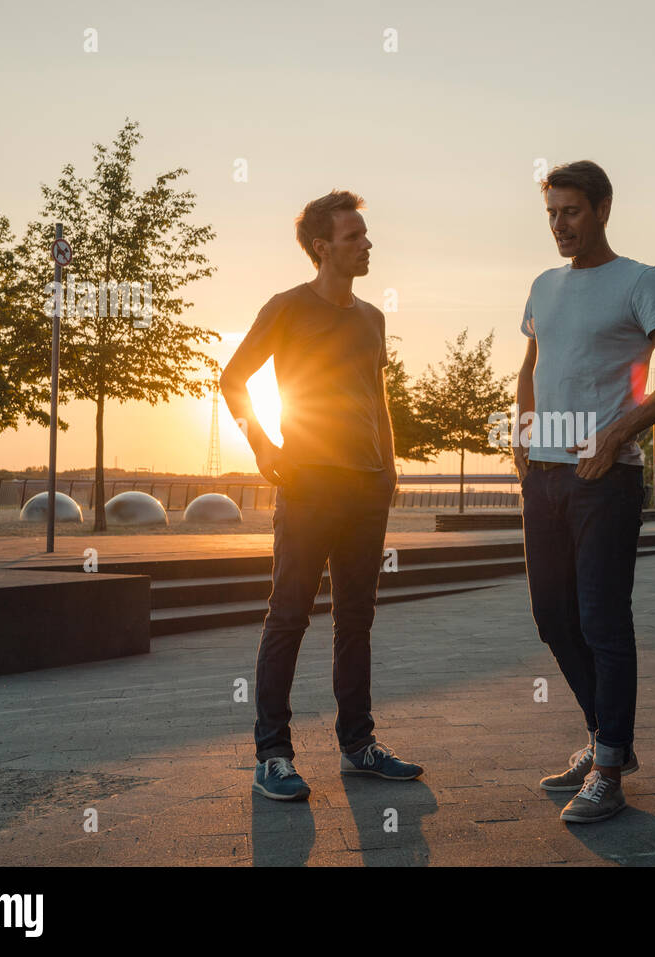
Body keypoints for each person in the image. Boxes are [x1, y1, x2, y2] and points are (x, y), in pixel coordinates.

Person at [516, 161, 655, 823]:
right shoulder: (542, 286)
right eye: (551, 214)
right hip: (540, 478)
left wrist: (614, 434)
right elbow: (531, 367)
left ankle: (608, 769)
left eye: (570, 211)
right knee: (552, 616)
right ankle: (606, 741)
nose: (559, 225)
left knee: (601, 620)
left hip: (607, 480)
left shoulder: (641, 282)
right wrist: (521, 439)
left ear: (601, 209)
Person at [221, 190, 422, 802]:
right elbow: (232, 379)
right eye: (354, 235)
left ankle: (359, 744)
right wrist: (262, 447)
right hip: (307, 483)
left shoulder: (372, 318)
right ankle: (272, 756)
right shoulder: (286, 308)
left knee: (356, 620)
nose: (367, 244)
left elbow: (376, 397)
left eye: (365, 234)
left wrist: (388, 468)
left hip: (367, 487)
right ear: (321, 248)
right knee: (288, 617)